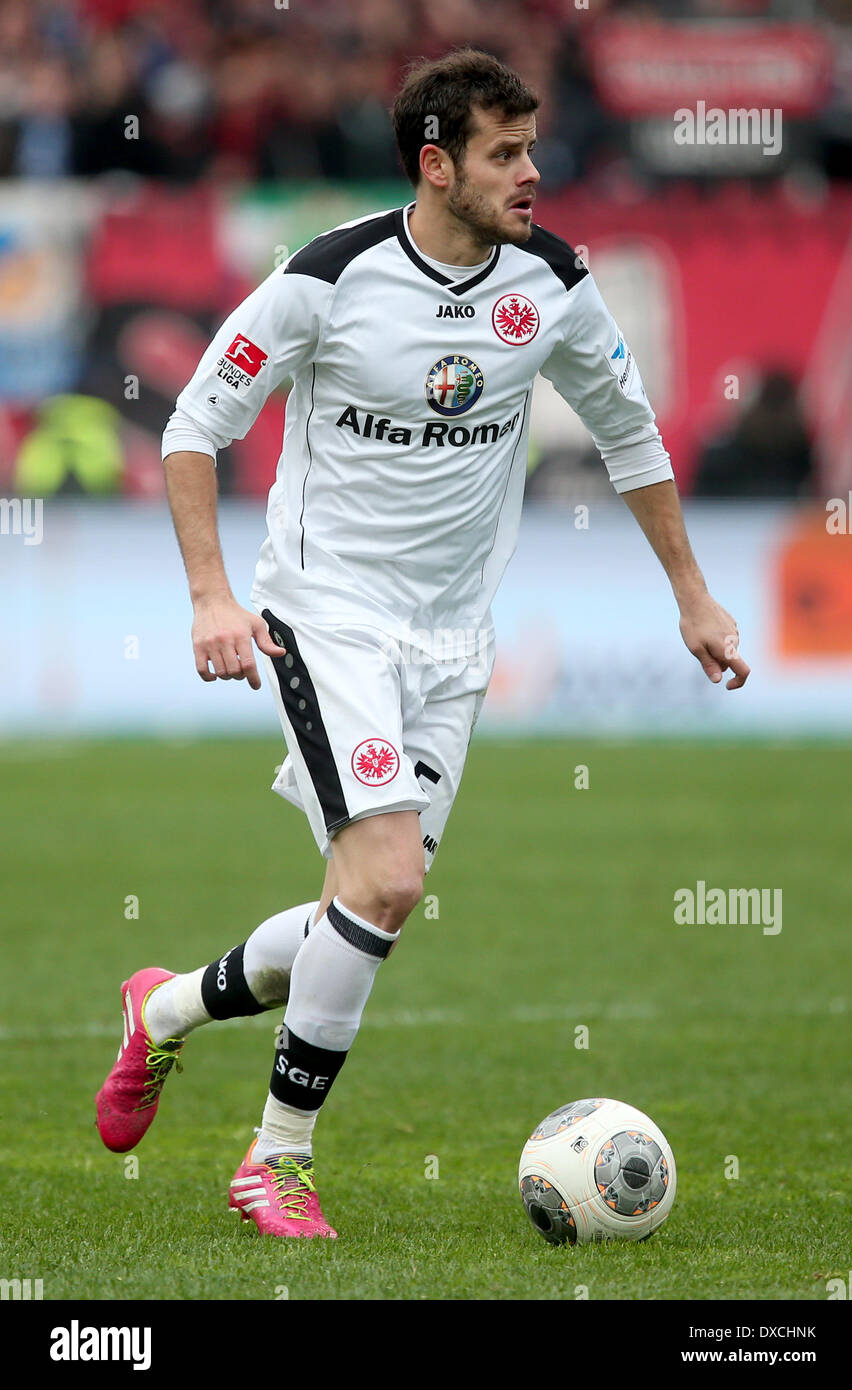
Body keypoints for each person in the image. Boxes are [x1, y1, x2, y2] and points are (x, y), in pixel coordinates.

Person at [95, 47, 750, 1239]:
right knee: (389, 880)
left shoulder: (551, 281)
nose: (532, 172)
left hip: (451, 644)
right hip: (324, 618)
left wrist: (691, 597)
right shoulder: (326, 277)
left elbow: (630, 435)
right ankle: (274, 1159)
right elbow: (194, 427)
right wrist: (210, 598)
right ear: (435, 164)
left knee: (365, 903)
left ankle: (166, 1011)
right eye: (504, 153)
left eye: (532, 147)